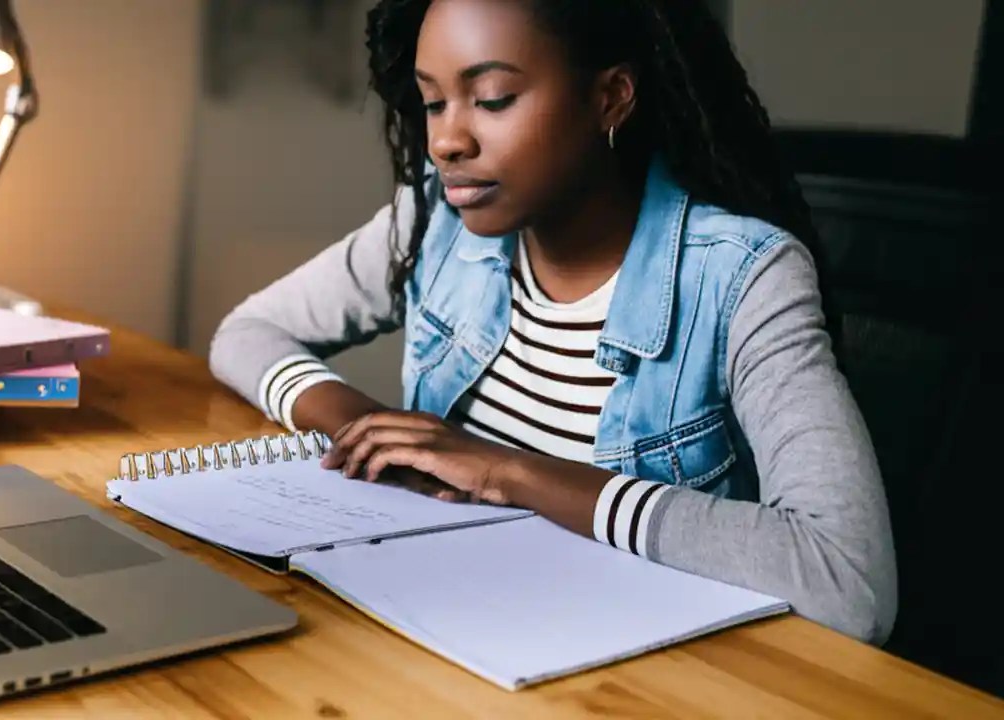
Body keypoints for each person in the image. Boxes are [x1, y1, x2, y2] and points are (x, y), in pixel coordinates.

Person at [209, 0, 896, 644]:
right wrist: (373, 431)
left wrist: (507, 472)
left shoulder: (744, 277)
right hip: (443, 633)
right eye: (433, 102)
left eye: (493, 99)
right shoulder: (437, 224)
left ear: (610, 97)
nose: (447, 140)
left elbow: (850, 580)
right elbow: (246, 334)